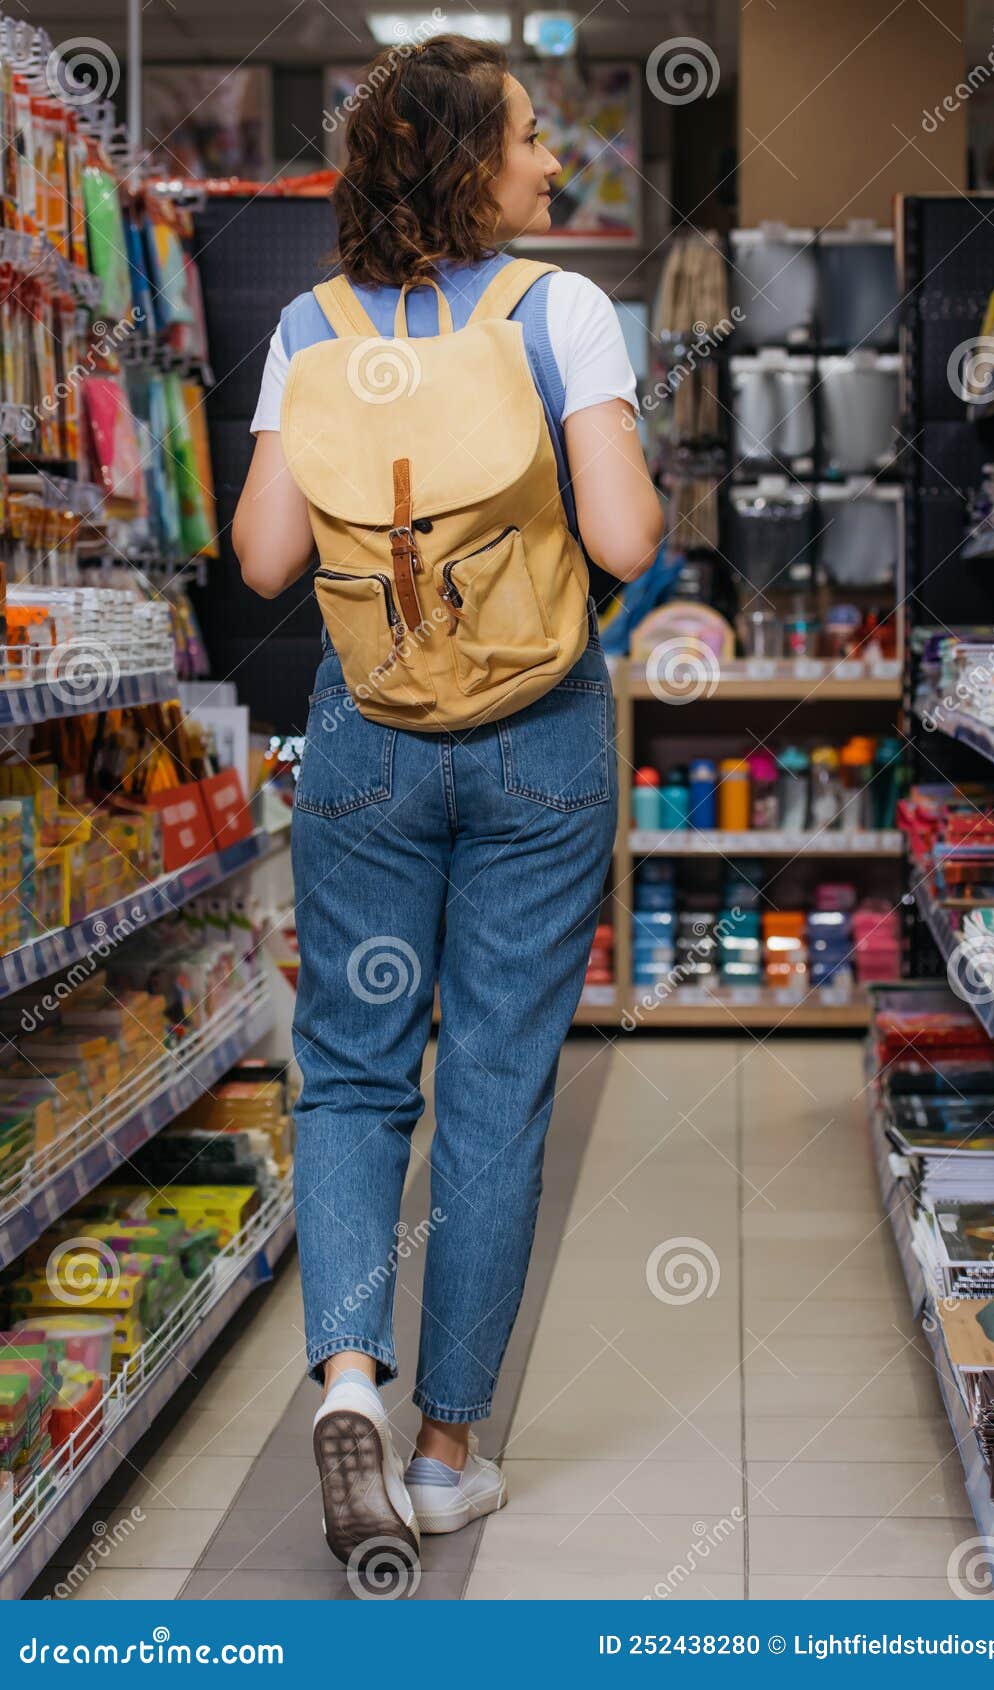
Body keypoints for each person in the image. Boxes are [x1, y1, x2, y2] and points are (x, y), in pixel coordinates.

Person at [233, 32, 662, 1575]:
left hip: (366, 739)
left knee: (351, 1071)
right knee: (494, 1081)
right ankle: (445, 1453)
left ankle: (349, 1370)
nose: (555, 162)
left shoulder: (310, 323)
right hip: (539, 729)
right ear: (476, 163)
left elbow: (268, 559)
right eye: (536, 139)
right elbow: (622, 538)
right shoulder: (562, 311)